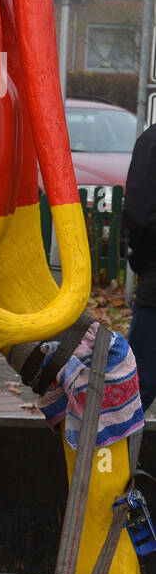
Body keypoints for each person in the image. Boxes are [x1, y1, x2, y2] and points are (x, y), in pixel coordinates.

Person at [123, 121, 156, 414]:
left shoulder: (152, 142)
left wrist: (144, 263)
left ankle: (111, 459)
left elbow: (140, 217)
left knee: (134, 391)